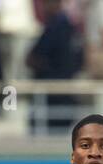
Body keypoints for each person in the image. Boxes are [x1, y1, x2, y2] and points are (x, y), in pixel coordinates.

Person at [27, 0, 85, 133]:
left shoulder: (56, 26)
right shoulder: (70, 27)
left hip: (52, 96)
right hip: (65, 95)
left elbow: (33, 58)